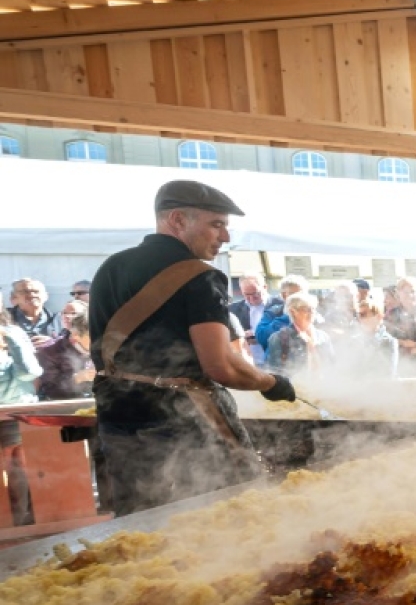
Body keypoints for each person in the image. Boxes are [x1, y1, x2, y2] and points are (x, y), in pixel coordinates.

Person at [89, 180, 295, 516]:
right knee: (233, 510)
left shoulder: (111, 267)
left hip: (118, 412)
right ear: (177, 220)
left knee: (139, 517)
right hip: (182, 418)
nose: (225, 237)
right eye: (216, 224)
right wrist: (271, 383)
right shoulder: (201, 276)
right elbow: (219, 365)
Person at [0, 310, 40, 525]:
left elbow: (30, 372)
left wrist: (11, 338)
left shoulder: (13, 337)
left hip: (18, 418)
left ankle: (22, 518)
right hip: (11, 418)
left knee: (19, 468)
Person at [266, 293, 334, 376]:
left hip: (324, 383)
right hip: (296, 383)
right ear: (293, 312)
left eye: (313, 309)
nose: (311, 312)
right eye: (306, 309)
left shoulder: (323, 337)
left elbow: (332, 365)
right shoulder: (279, 338)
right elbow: (275, 372)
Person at [36, 306, 95, 400]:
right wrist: (77, 378)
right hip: (70, 404)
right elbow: (51, 391)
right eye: (94, 337)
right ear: (75, 335)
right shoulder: (50, 352)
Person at [229, 273, 282, 365]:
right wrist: (242, 336)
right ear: (241, 291)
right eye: (246, 294)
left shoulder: (280, 305)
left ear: (265, 287)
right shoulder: (233, 310)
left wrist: (259, 336)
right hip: (247, 363)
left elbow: (286, 330)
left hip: (275, 362)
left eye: (255, 293)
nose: (252, 298)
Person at [255, 275, 309, 353]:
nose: (300, 298)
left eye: (302, 294)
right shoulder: (273, 313)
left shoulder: (313, 313)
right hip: (278, 358)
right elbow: (261, 337)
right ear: (284, 295)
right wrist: (287, 317)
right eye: (294, 295)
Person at [7, 278, 59, 347]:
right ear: (13, 298)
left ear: (46, 296)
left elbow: (69, 344)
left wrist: (52, 342)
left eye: (36, 291)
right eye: (25, 291)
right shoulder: (4, 319)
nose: (31, 295)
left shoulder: (59, 320)